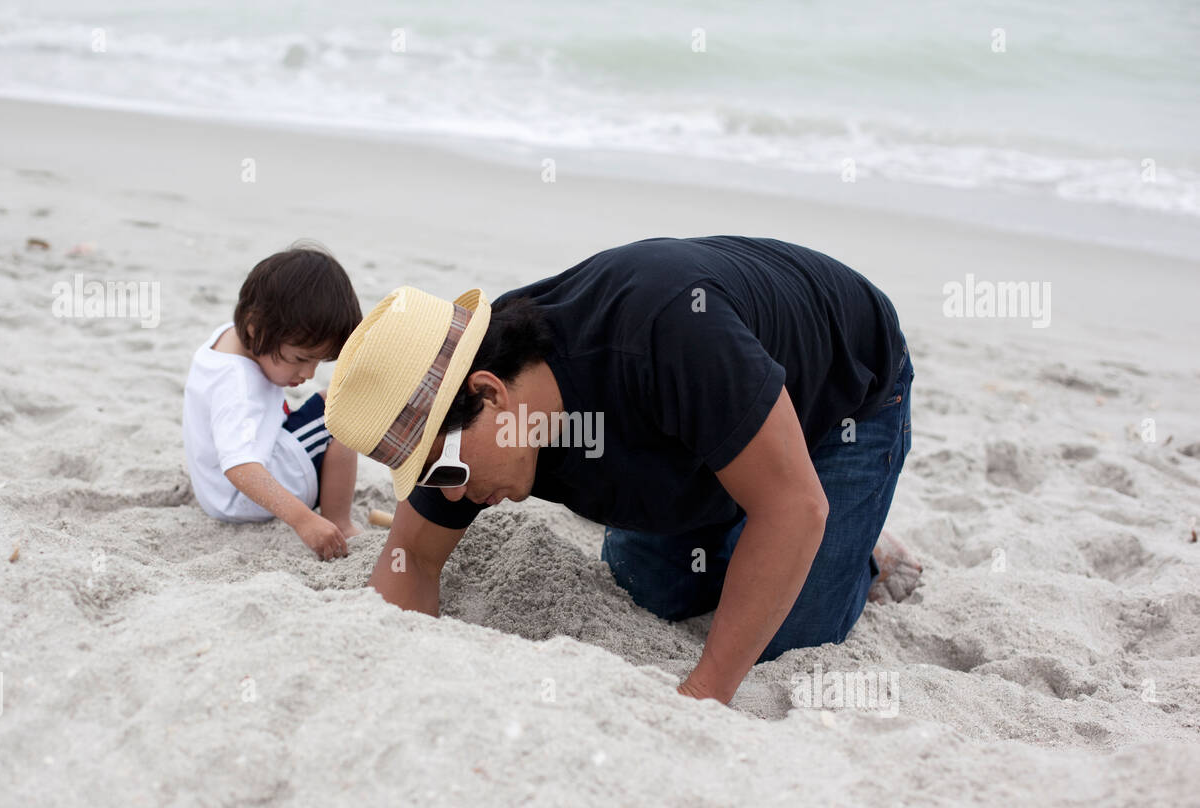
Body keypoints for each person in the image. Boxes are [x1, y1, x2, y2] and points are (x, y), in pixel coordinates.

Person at [324, 236, 921, 703]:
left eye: (445, 472)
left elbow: (794, 507)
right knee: (652, 591)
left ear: (490, 394)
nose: (453, 495)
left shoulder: (667, 331)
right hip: (695, 434)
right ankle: (754, 500)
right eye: (429, 481)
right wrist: (393, 671)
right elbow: (411, 559)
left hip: (839, 401)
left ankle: (854, 545)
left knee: (785, 635)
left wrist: (702, 695)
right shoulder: (465, 425)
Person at [182, 242, 363, 560]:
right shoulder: (236, 383)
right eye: (301, 358)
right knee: (337, 410)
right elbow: (240, 466)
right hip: (241, 496)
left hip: (214, 494)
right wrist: (304, 521)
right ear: (255, 329)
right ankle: (339, 522)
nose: (308, 373)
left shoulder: (230, 340)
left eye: (318, 362)